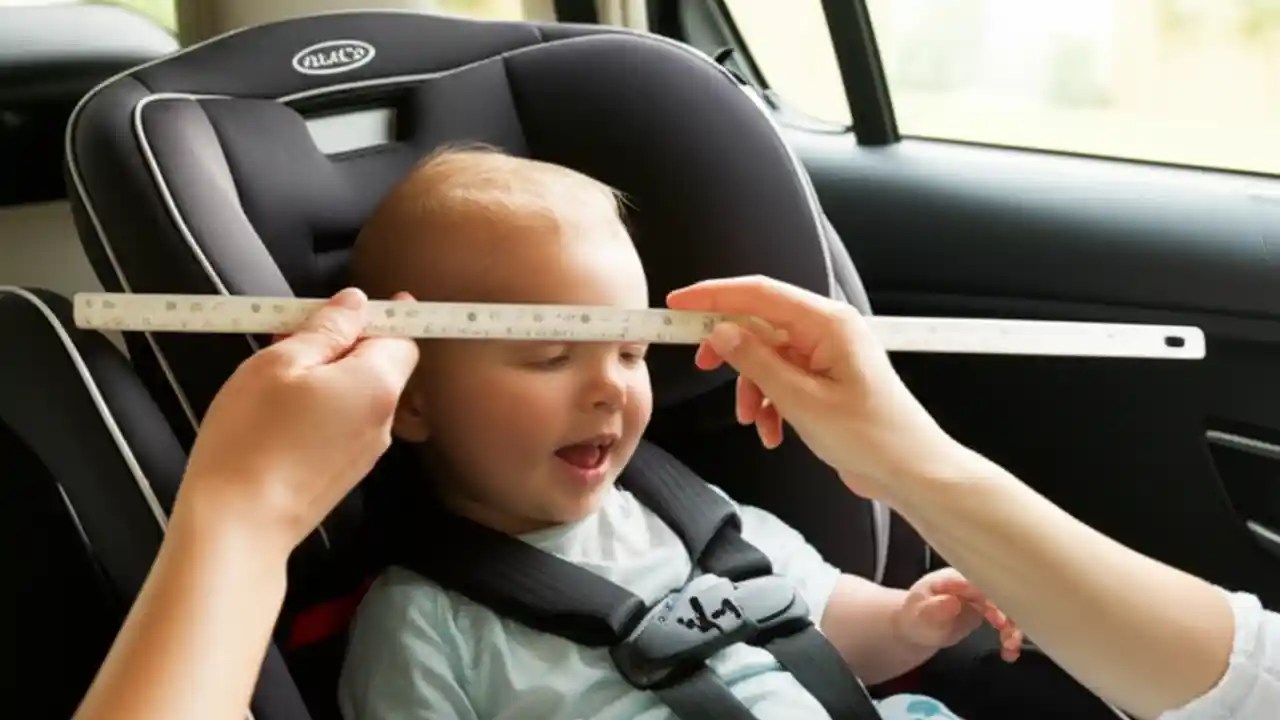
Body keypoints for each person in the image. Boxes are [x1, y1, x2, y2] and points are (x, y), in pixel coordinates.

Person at [334, 146, 1021, 720]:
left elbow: (827, 624)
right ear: (411, 398)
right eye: (551, 356)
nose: (611, 387)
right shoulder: (422, 624)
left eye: (631, 352)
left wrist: (909, 622)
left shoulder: (689, 516)